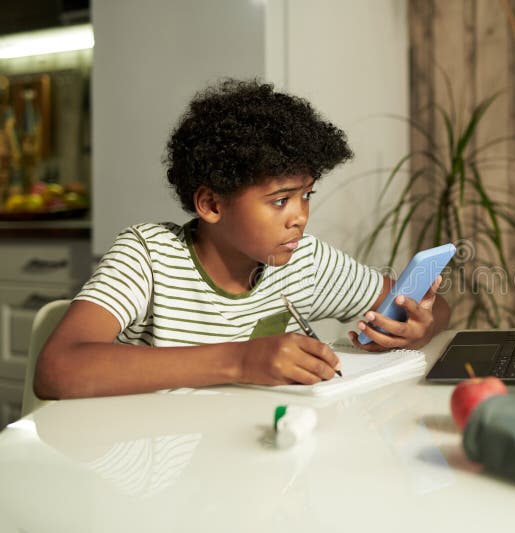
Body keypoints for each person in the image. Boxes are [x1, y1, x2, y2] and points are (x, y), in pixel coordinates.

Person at [35, 79, 450, 400]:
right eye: (280, 200)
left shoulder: (304, 260)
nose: (300, 217)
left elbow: (430, 309)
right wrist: (240, 360)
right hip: (153, 475)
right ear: (212, 204)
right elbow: (57, 369)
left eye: (306, 195)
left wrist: (418, 328)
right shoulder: (148, 256)